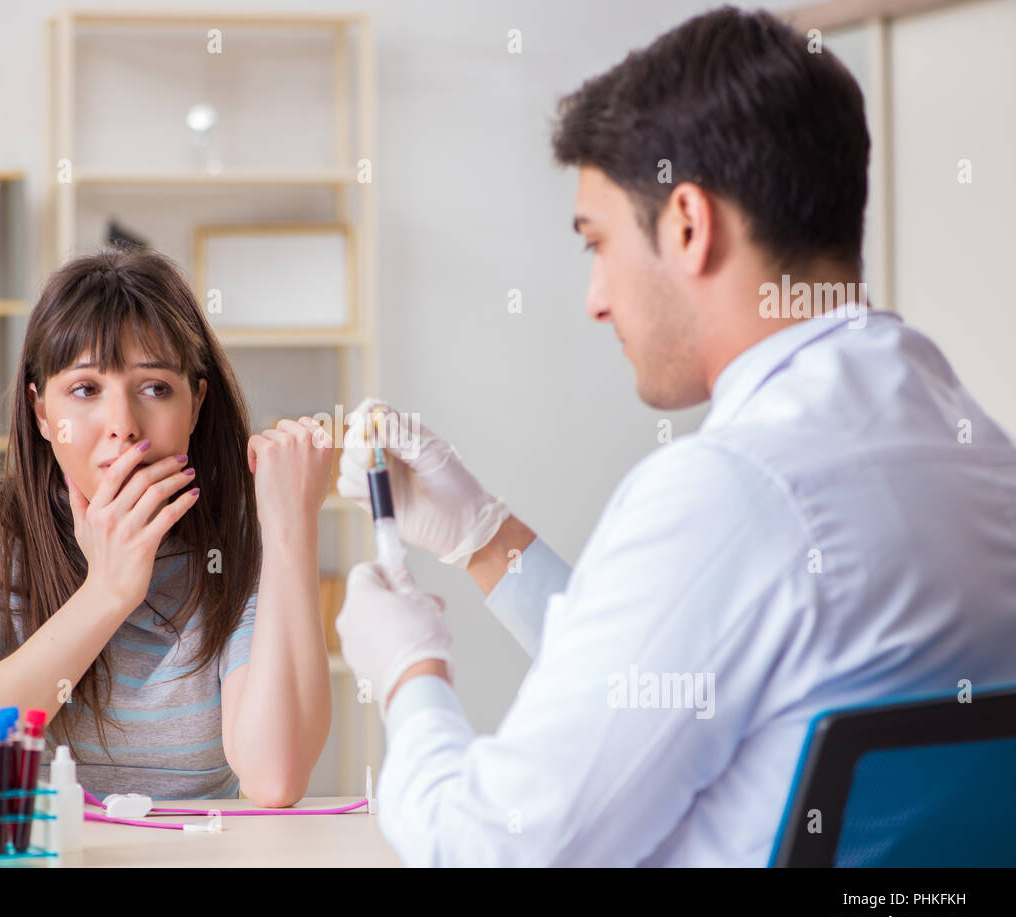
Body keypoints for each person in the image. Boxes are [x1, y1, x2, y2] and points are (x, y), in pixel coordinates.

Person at [333, 6, 1016, 865]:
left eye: (599, 243)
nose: (596, 297)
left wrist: (407, 672)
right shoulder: (973, 447)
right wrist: (484, 537)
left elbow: (491, 847)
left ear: (689, 224)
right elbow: (677, 678)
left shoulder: (736, 491)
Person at [0, 249, 336, 805]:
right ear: (40, 413)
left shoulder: (233, 541)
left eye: (154, 388)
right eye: (85, 390)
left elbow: (275, 777)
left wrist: (291, 523)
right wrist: (107, 591)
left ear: (196, 405)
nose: (123, 427)